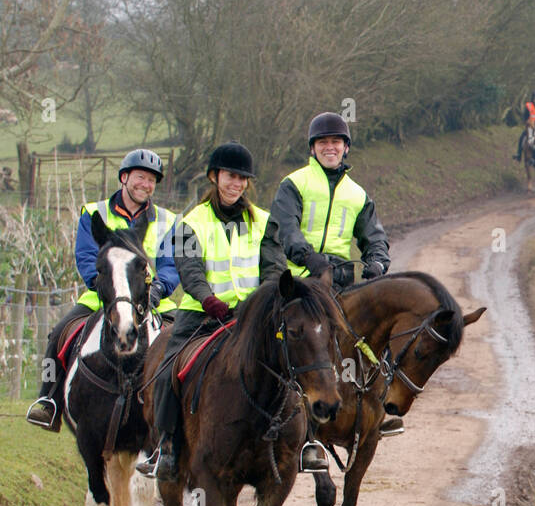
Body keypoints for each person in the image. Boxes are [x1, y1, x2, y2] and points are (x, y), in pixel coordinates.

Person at [137, 143, 330, 479]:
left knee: (297, 356)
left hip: (252, 317)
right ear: (215, 177)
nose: (236, 184)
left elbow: (273, 269)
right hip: (201, 314)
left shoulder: (264, 222)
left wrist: (258, 304)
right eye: (230, 176)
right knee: (168, 369)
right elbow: (190, 269)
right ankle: (166, 447)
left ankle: (308, 443)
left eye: (242, 178)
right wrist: (209, 299)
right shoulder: (191, 221)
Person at [27, 148, 179, 432]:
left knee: (183, 343)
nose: (146, 185)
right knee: (59, 333)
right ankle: (48, 400)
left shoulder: (169, 221)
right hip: (103, 297)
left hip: (153, 300)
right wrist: (103, 289)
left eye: (151, 180)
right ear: (124, 178)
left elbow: (171, 264)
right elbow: (86, 258)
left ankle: (177, 422)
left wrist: (158, 289)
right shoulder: (94, 213)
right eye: (140, 177)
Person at [261, 111, 394, 434]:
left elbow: (374, 238)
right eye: (323, 142)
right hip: (298, 283)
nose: (329, 147)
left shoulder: (358, 195)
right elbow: (286, 231)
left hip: (340, 281)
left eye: (336, 142)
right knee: (298, 344)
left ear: (346, 148)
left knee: (377, 330)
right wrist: (311, 259)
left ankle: (380, 405)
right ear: (312, 149)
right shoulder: (293, 184)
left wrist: (377, 262)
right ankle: (283, 420)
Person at [513, 90, 535, 162]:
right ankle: (519, 154)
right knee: (522, 137)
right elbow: (525, 117)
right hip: (531, 126)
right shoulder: (529, 106)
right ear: (532, 99)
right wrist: (528, 122)